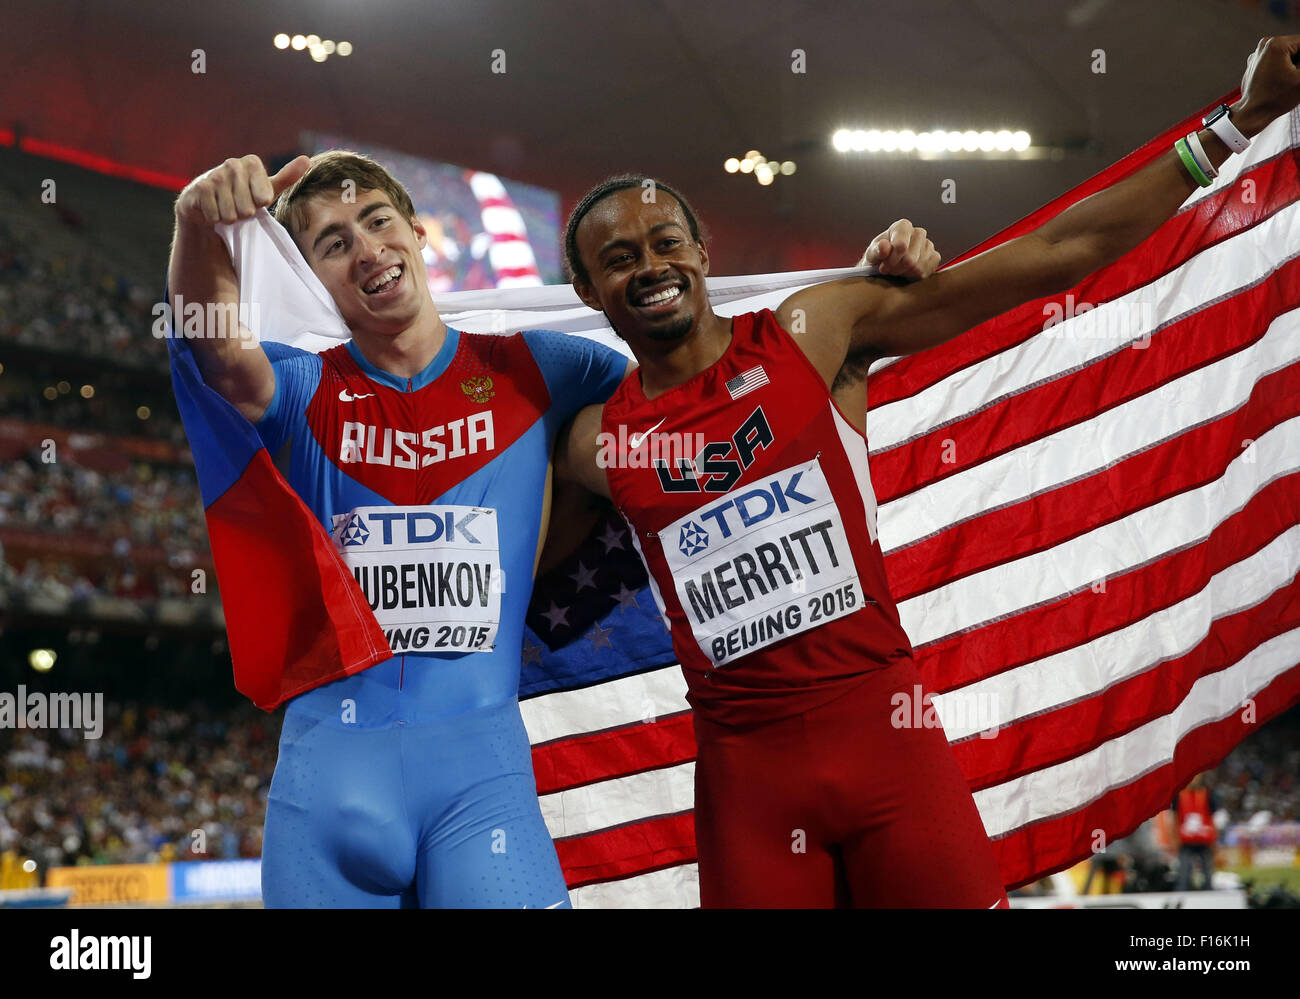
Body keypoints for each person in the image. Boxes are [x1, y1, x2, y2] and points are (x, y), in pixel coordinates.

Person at [554, 37, 1300, 907]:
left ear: (703, 252)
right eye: (619, 258)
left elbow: (1057, 254)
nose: (650, 266)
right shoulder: (594, 443)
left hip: (887, 745)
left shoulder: (812, 331)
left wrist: (1235, 125)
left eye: (665, 241)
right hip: (745, 782)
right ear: (583, 291)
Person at [167, 148, 936, 907]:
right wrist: (197, 223)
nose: (366, 250)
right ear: (313, 277)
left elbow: (705, 373)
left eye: (376, 221)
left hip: (481, 793)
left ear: (418, 231)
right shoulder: (305, 388)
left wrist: (862, 288)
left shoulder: (538, 368)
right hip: (326, 793)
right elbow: (219, 354)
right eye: (334, 243)